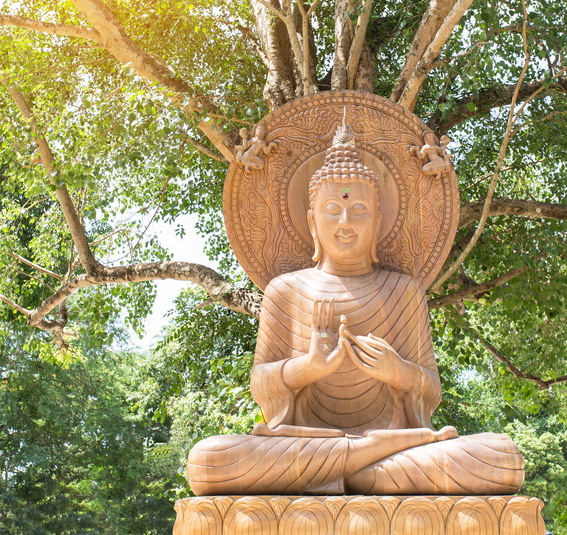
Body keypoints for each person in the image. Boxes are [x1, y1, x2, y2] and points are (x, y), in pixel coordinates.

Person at [187, 120, 524, 496]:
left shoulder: (404, 291)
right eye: (332, 209)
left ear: (379, 220)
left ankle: (344, 470)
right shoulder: (285, 290)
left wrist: (399, 371)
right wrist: (308, 367)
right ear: (312, 220)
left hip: (386, 446)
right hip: (307, 444)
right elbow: (260, 383)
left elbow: (430, 387)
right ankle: (361, 466)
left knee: (501, 457)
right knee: (208, 460)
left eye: (359, 209)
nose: (345, 222)